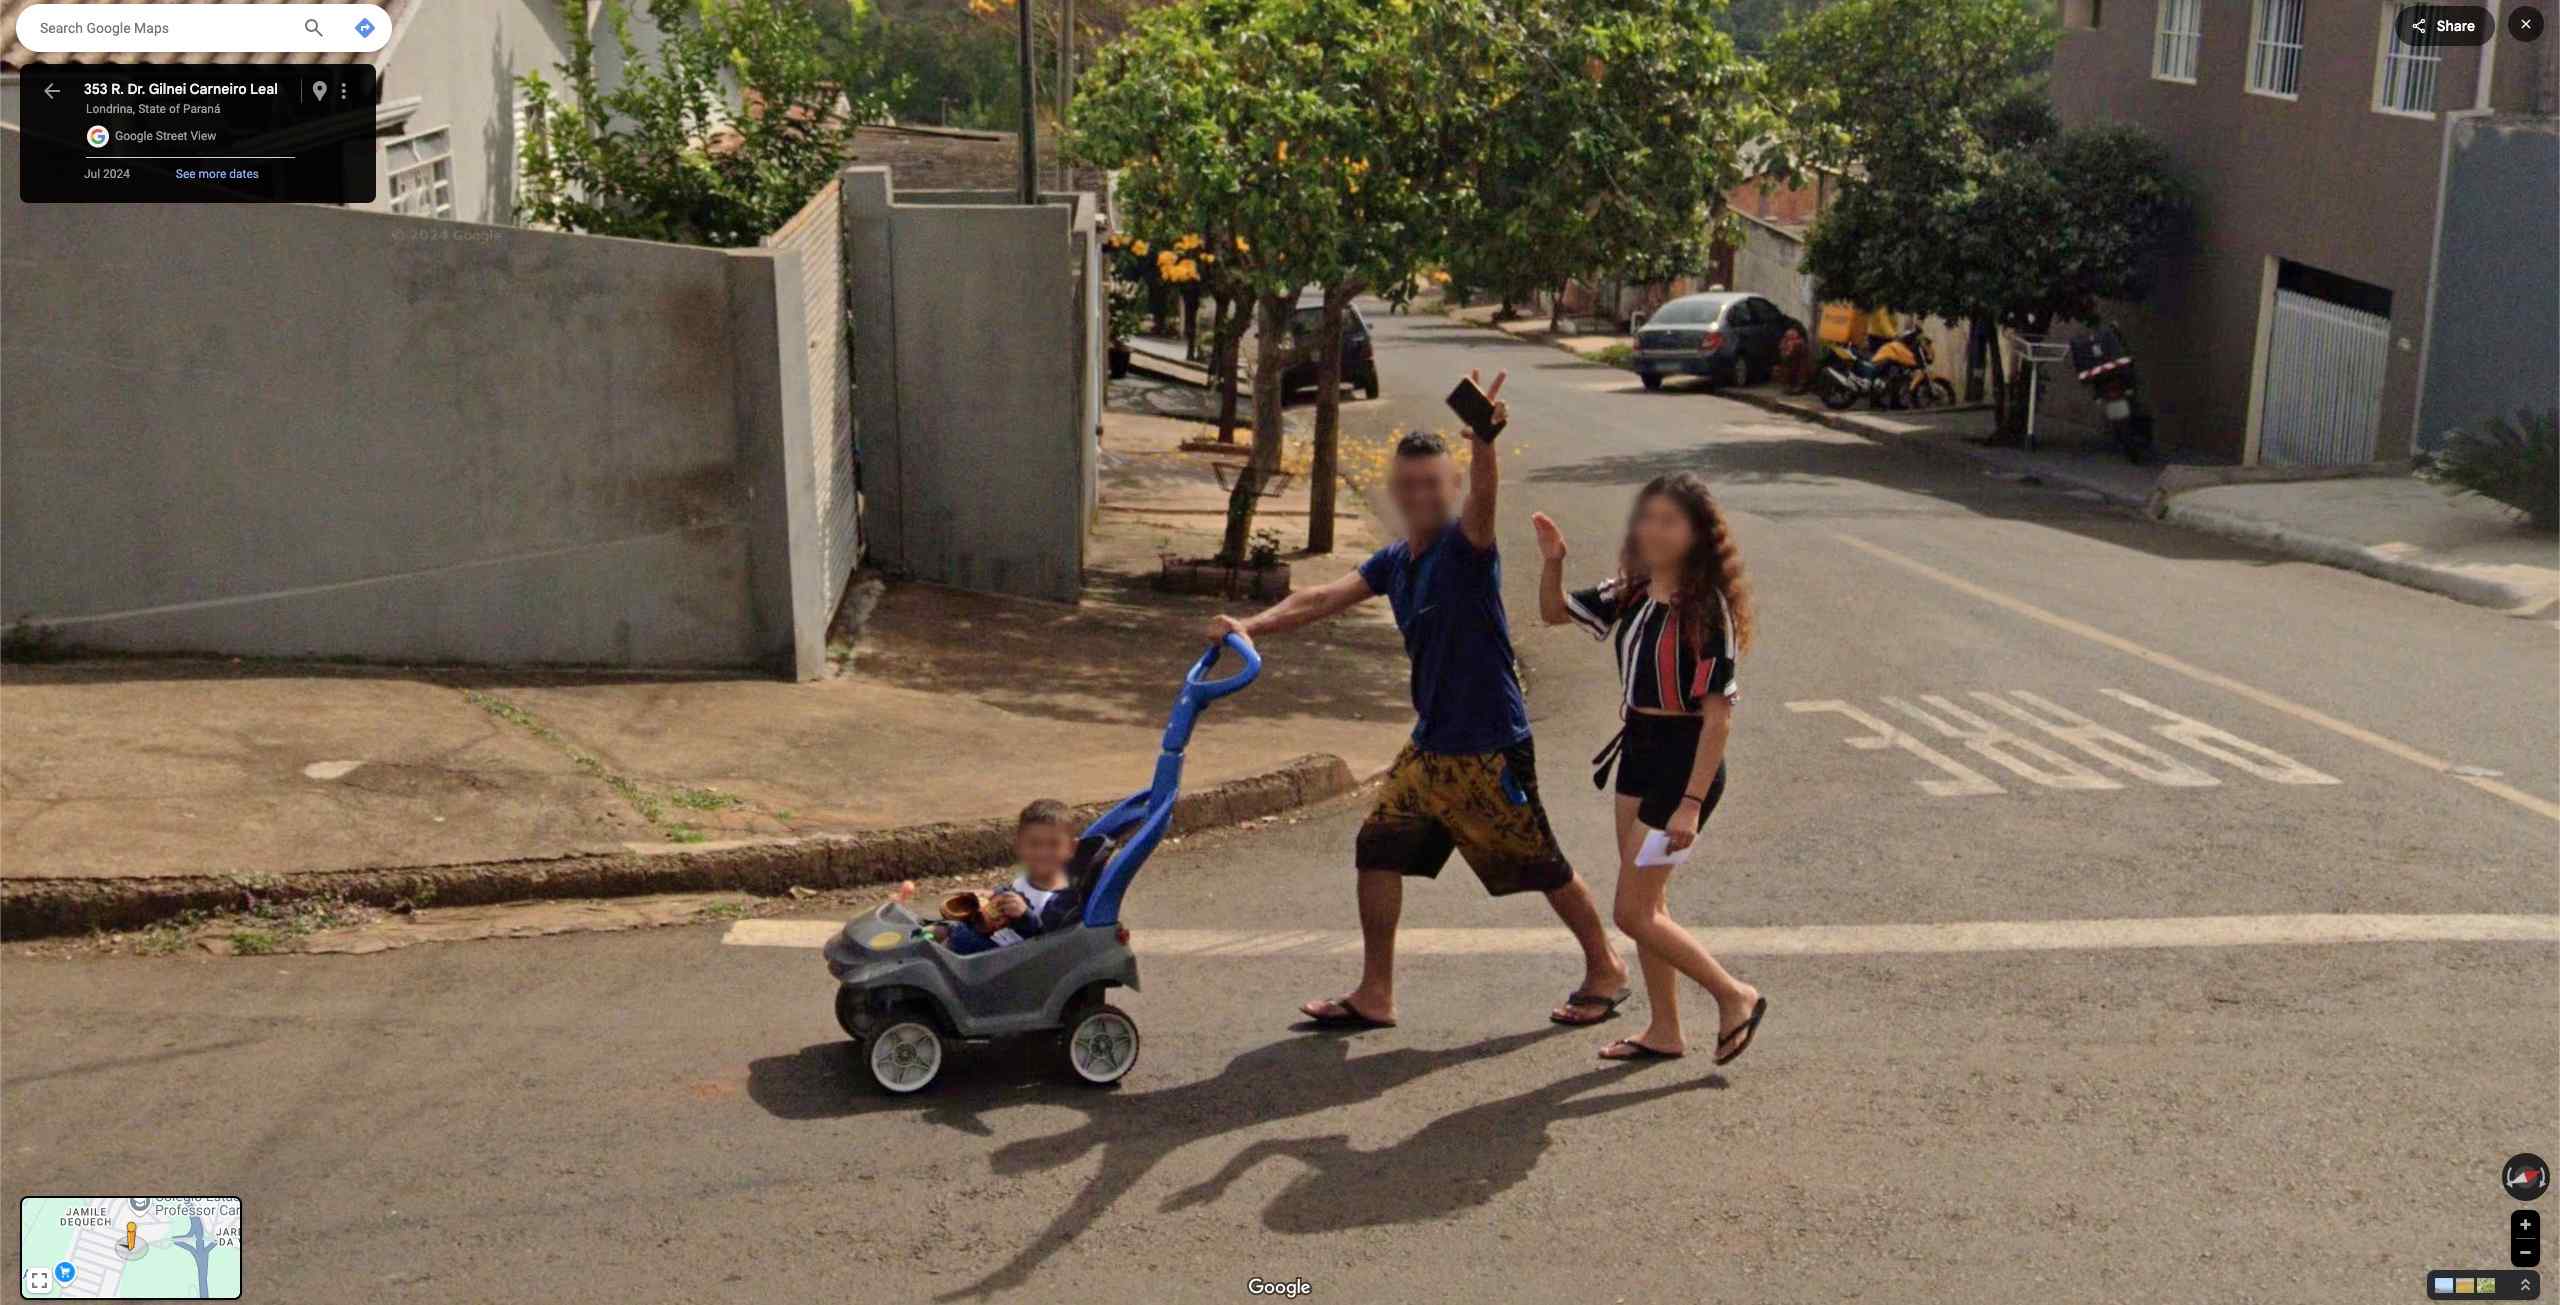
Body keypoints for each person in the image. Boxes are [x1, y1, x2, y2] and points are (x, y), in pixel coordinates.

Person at [1210, 370, 1631, 1030]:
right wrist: (1252, 626)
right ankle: (1376, 992)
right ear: (1396, 491)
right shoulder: (1397, 560)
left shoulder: (1467, 549)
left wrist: (1485, 443)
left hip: (1489, 744)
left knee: (1541, 862)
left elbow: (1487, 502)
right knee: (1377, 848)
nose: (1420, 493)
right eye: (1409, 484)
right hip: (1433, 744)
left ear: (1452, 487)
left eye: (1434, 482)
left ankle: (1606, 967)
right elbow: (1323, 596)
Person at [1529, 473, 1769, 1065]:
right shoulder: (1634, 590)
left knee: (1632, 911)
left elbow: (1718, 718)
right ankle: (1665, 1029)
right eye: (1648, 519)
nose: (1655, 531)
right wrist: (1554, 562)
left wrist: (1690, 804)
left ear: (1698, 535)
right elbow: (1555, 614)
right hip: (1636, 750)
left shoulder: (1706, 608)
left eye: (1670, 521)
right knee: (1650, 910)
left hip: (1685, 762)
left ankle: (1735, 995)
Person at [912, 799, 1087, 955]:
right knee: (941, 929)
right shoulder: (1026, 879)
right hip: (991, 937)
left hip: (1011, 958)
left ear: (1071, 848)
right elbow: (1007, 893)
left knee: (954, 940)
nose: (1042, 853)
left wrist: (1024, 915)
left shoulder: (1063, 898)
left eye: (1053, 845)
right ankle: (910, 944)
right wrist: (990, 894)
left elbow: (1048, 941)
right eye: (1034, 844)